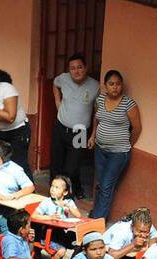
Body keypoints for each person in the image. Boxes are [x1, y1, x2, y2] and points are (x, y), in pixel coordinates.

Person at [88, 69, 140, 222]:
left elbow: (137, 127)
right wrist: (92, 136)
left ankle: (98, 220)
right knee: (99, 183)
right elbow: (97, 119)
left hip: (118, 153)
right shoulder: (100, 100)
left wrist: (128, 145)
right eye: (111, 84)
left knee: (106, 185)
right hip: (100, 149)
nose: (115, 87)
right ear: (105, 85)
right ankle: (97, 212)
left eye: (118, 84)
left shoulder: (128, 104)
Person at [51, 53, 98, 199]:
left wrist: (93, 135)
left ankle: (72, 190)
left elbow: (97, 112)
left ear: (86, 68)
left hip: (80, 132)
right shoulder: (63, 79)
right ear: (69, 70)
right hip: (60, 127)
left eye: (79, 67)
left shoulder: (95, 86)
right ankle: (56, 195)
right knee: (56, 165)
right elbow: (54, 84)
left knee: (72, 167)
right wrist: (58, 102)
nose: (76, 71)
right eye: (72, 68)